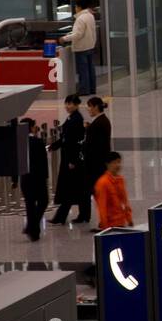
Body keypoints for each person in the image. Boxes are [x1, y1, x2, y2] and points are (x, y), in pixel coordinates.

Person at [48, 95, 85, 225]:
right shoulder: (71, 118)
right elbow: (65, 138)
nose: (67, 106)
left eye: (70, 104)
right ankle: (82, 214)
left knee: (68, 188)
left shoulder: (76, 119)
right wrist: (53, 146)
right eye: (66, 103)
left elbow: (74, 142)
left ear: (76, 105)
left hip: (71, 159)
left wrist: (73, 161)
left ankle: (61, 217)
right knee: (75, 188)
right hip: (68, 158)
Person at [58, 0, 97, 96]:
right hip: (90, 45)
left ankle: (84, 89)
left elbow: (78, 34)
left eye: (75, 6)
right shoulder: (90, 16)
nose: (75, 8)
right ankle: (92, 88)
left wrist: (64, 38)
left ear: (79, 7)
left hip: (81, 48)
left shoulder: (80, 19)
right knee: (90, 69)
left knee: (83, 70)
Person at [81, 97, 111, 227]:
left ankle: (105, 222)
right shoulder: (102, 121)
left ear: (95, 107)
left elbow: (94, 145)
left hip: (96, 165)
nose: (88, 109)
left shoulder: (99, 123)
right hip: (99, 164)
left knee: (99, 195)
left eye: (89, 106)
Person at [20, 118, 49, 241]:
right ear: (32, 128)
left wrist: (15, 180)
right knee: (43, 201)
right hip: (38, 178)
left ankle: (33, 231)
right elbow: (43, 161)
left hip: (25, 178)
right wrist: (46, 177)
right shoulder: (38, 142)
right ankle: (32, 226)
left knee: (30, 204)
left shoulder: (20, 143)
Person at [94, 151, 133, 230]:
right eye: (114, 163)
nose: (118, 165)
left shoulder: (120, 180)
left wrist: (129, 219)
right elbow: (102, 207)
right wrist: (105, 227)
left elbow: (125, 201)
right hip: (110, 225)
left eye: (119, 162)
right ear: (108, 164)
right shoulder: (102, 183)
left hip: (121, 223)